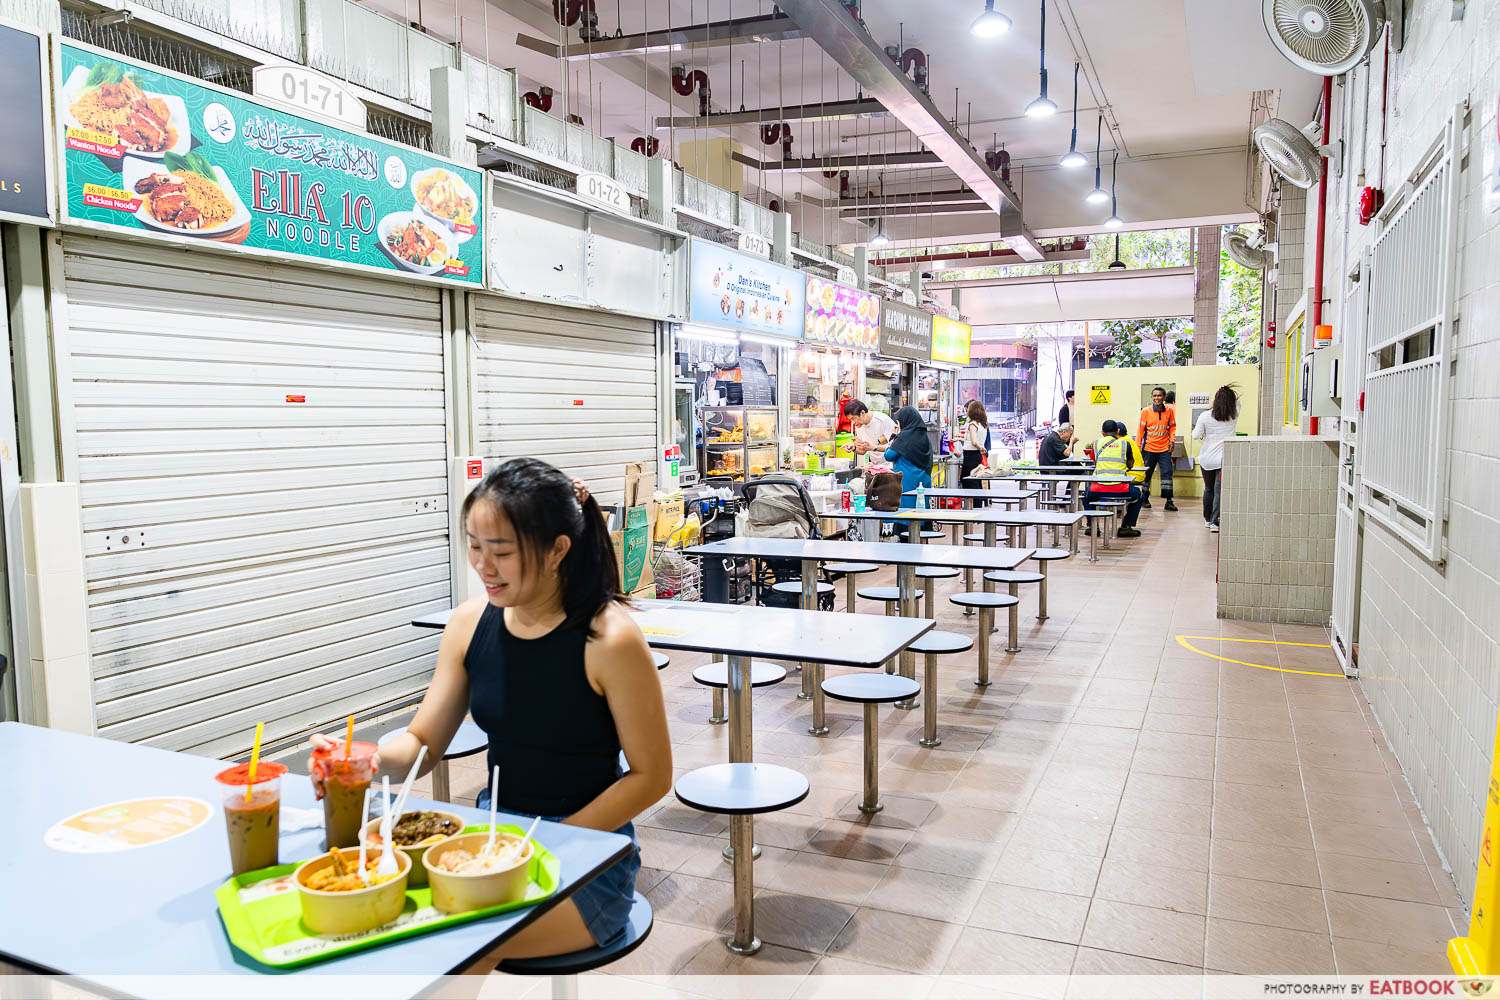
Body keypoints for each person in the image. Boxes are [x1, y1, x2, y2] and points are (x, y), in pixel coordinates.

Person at [308, 459, 671, 962]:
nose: (482, 566)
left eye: (500, 551)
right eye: (475, 547)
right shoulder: (467, 625)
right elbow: (423, 744)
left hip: (589, 856)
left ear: (557, 550)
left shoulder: (609, 639)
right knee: (373, 917)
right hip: (489, 841)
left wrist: (547, 842)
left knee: (452, 946)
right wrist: (366, 760)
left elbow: (652, 776)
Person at [1085, 420, 1145, 538]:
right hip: (1121, 488)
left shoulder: (1095, 444)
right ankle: (1126, 526)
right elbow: (1130, 465)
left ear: (1102, 432)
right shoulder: (1125, 444)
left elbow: (1094, 462)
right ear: (1117, 431)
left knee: (1085, 497)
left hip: (1099, 488)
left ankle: (1093, 527)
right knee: (1140, 496)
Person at [1193, 384, 1240, 533]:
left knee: (1208, 489)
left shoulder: (1205, 416)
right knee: (1219, 491)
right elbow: (1239, 402)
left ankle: (1207, 519)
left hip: (1206, 459)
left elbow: (1195, 435)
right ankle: (1215, 522)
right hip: (1222, 460)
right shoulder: (1234, 415)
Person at [885, 406, 933, 536]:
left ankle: (907, 548)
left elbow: (889, 455)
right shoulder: (924, 435)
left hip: (907, 482)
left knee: (906, 517)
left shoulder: (904, 437)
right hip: (923, 480)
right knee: (920, 512)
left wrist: (893, 436)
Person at [1137, 385, 1177, 511]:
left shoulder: (1169, 411)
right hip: (1149, 449)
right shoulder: (1146, 411)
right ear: (1152, 397)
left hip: (1164, 449)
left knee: (1167, 474)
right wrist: (1138, 447)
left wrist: (1172, 440)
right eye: (1154, 396)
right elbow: (1140, 431)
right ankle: (1144, 498)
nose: (1157, 398)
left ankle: (1168, 501)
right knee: (1147, 475)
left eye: (1159, 395)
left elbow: (1172, 427)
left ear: (1164, 397)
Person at [961, 400, 989, 491]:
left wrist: (980, 447)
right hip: (978, 455)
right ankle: (978, 503)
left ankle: (972, 504)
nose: (967, 411)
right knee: (976, 479)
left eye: (968, 409)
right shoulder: (983, 424)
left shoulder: (972, 424)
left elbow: (973, 441)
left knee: (967, 480)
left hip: (970, 455)